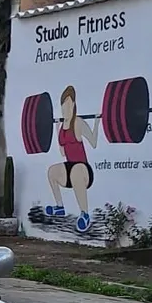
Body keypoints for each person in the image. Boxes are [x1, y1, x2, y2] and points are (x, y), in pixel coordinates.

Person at [46, 85, 99, 233]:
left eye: (69, 105)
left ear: (74, 105)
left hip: (84, 170)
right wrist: (56, 131)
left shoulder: (79, 122)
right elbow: (63, 153)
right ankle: (60, 206)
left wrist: (96, 123)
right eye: (63, 105)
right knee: (52, 171)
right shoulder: (62, 126)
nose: (66, 109)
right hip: (70, 168)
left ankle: (85, 214)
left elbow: (93, 143)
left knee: (76, 170)